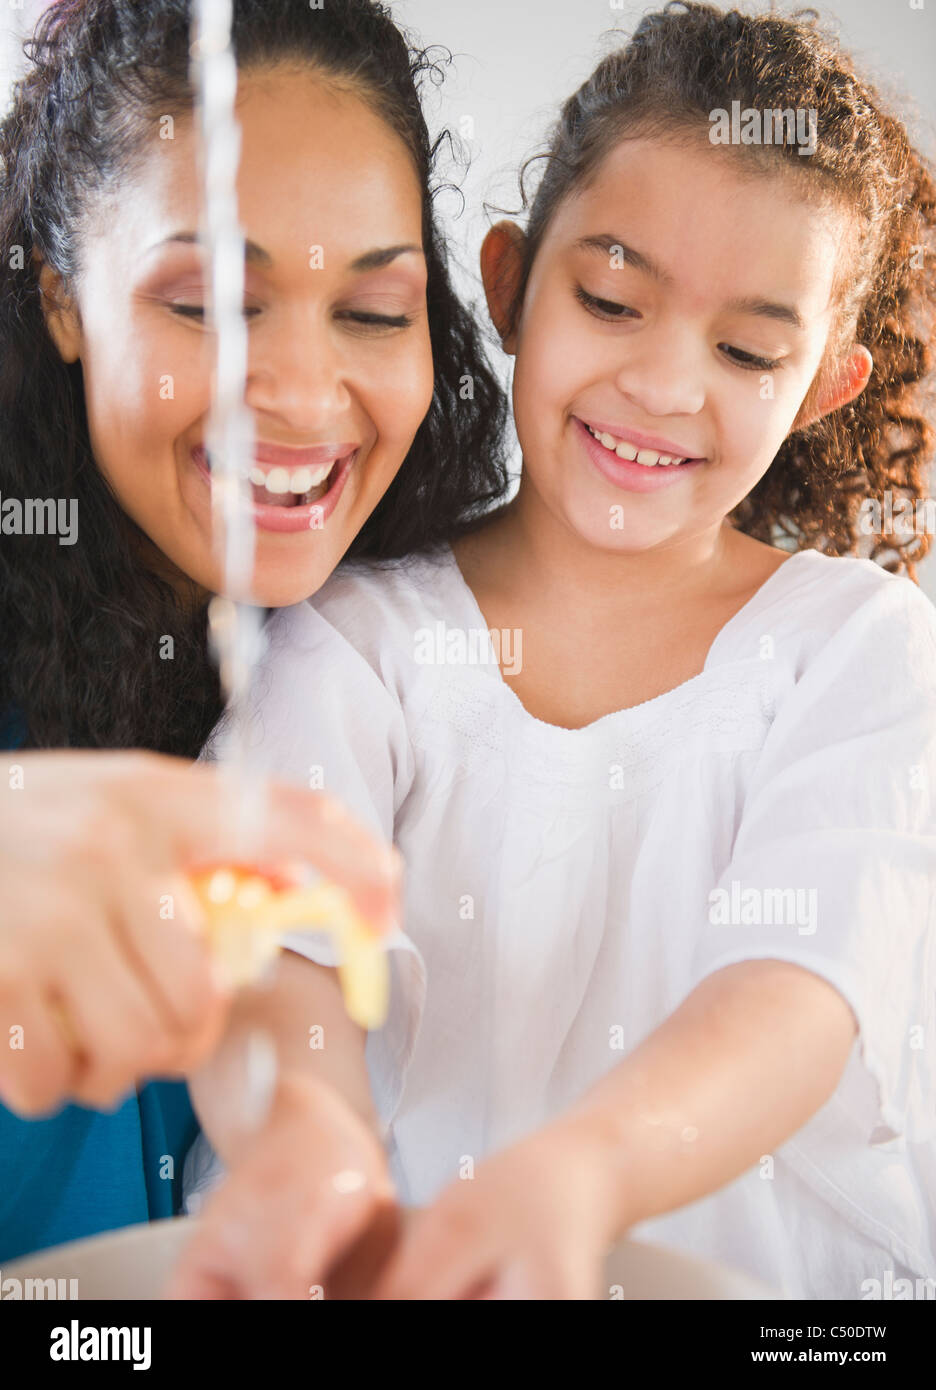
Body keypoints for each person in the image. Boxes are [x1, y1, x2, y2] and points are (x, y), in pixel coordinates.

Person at [213, 2, 936, 1298]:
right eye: (613, 299)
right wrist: (306, 1142)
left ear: (823, 382)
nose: (665, 384)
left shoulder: (858, 651)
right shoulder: (361, 641)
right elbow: (278, 940)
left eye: (746, 349)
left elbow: (802, 992)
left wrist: (585, 1172)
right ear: (506, 282)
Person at [0, 0, 508, 1294]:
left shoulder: (404, 660)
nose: (297, 389)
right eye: (213, 299)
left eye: (374, 311)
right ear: (61, 296)